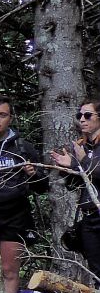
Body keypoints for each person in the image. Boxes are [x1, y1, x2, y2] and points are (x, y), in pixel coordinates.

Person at [0, 96, 45, 293]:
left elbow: (42, 187)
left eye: (2, 115)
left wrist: (33, 174)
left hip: (14, 215)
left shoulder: (23, 148)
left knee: (9, 269)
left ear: (10, 118)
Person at [49, 99, 100, 279]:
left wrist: (81, 162)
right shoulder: (82, 145)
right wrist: (67, 169)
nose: (82, 120)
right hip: (88, 216)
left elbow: (96, 172)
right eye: (80, 116)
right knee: (96, 270)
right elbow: (76, 184)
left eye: (88, 115)